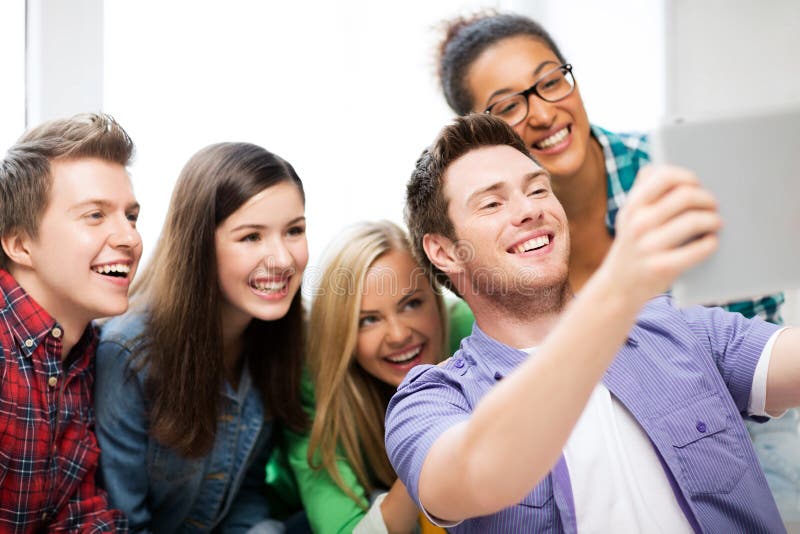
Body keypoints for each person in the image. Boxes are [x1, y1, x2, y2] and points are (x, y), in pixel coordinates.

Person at [435, 12, 800, 518]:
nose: (541, 113)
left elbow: (752, 339)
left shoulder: (670, 176)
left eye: (550, 81)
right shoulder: (492, 281)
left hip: (735, 404)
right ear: (478, 130)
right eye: (509, 106)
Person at [94, 142, 308, 532]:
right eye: (251, 237)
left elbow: (244, 496)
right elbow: (122, 522)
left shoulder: (276, 339)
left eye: (294, 230)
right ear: (200, 245)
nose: (282, 258)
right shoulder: (128, 353)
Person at [0, 113, 137, 531]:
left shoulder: (85, 350)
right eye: (95, 215)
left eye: (131, 216)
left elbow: (75, 513)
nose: (130, 238)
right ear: (20, 243)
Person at [274, 220, 453, 533]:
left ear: (435, 299)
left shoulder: (471, 333)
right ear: (342, 334)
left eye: (411, 304)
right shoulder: (315, 387)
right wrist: (424, 453)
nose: (398, 335)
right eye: (368, 320)